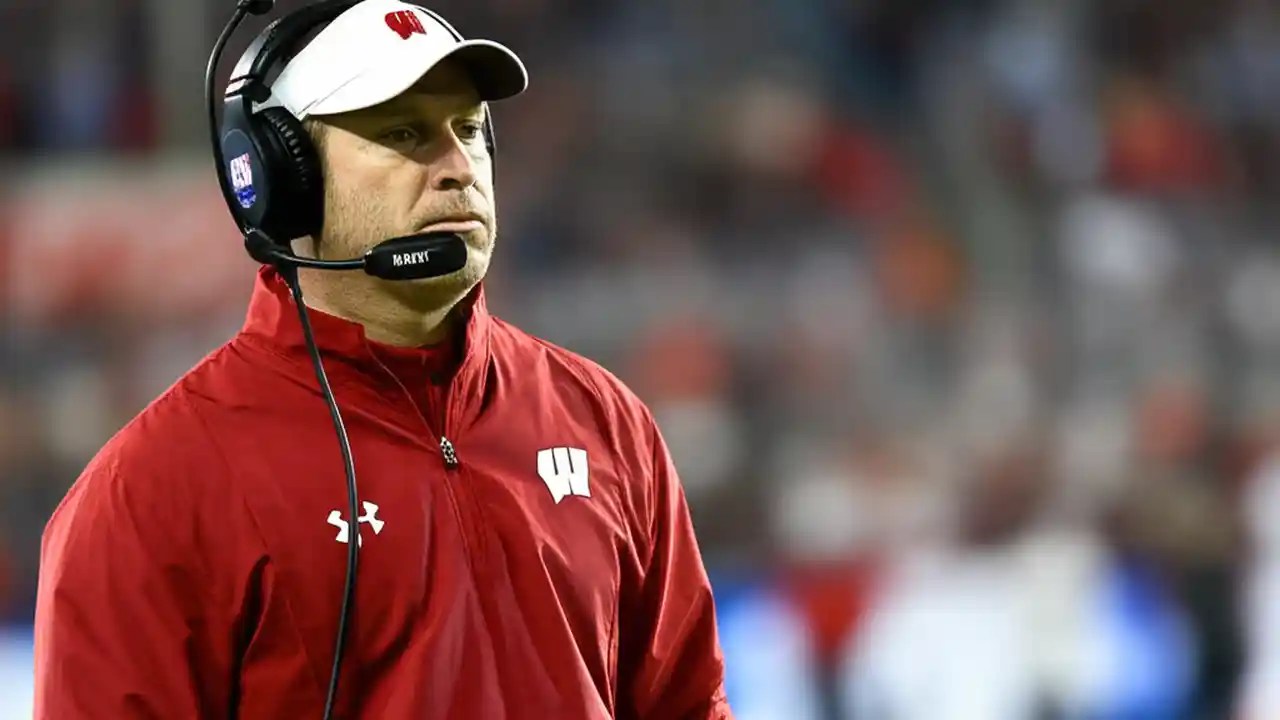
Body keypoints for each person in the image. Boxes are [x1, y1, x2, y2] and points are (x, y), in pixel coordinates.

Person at [31, 1, 733, 718]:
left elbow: (687, 703)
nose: (458, 169)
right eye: (403, 134)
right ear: (283, 178)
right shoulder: (149, 493)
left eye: (467, 130)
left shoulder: (604, 422)